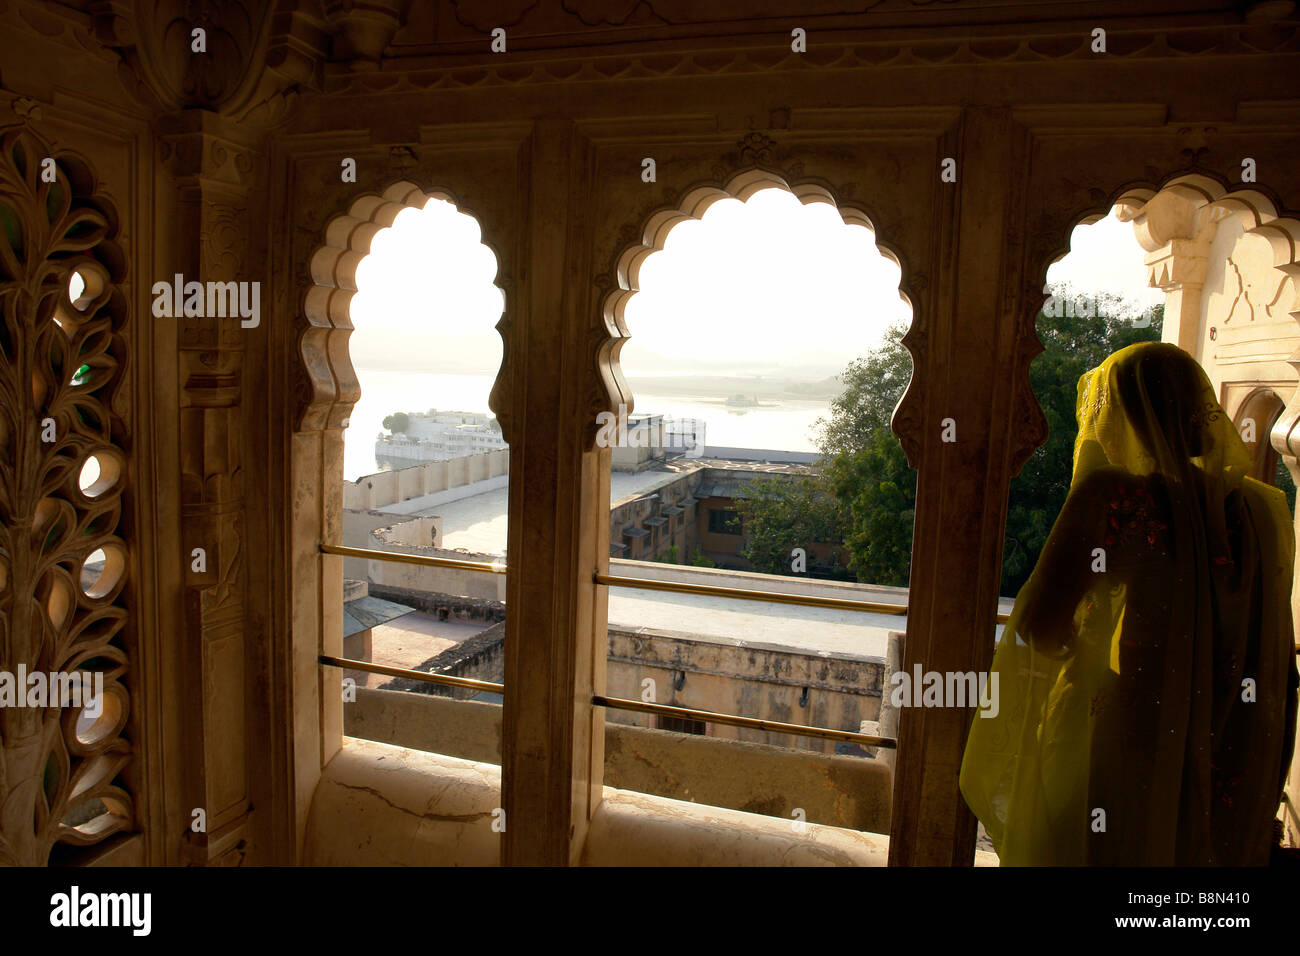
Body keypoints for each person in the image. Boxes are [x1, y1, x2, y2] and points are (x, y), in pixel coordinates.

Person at [960, 341, 1298, 865]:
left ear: (1124, 413)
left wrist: (1092, 645)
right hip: (1228, 738)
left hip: (1129, 725)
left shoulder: (1115, 496)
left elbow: (1041, 626)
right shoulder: (1260, 508)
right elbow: (1266, 646)